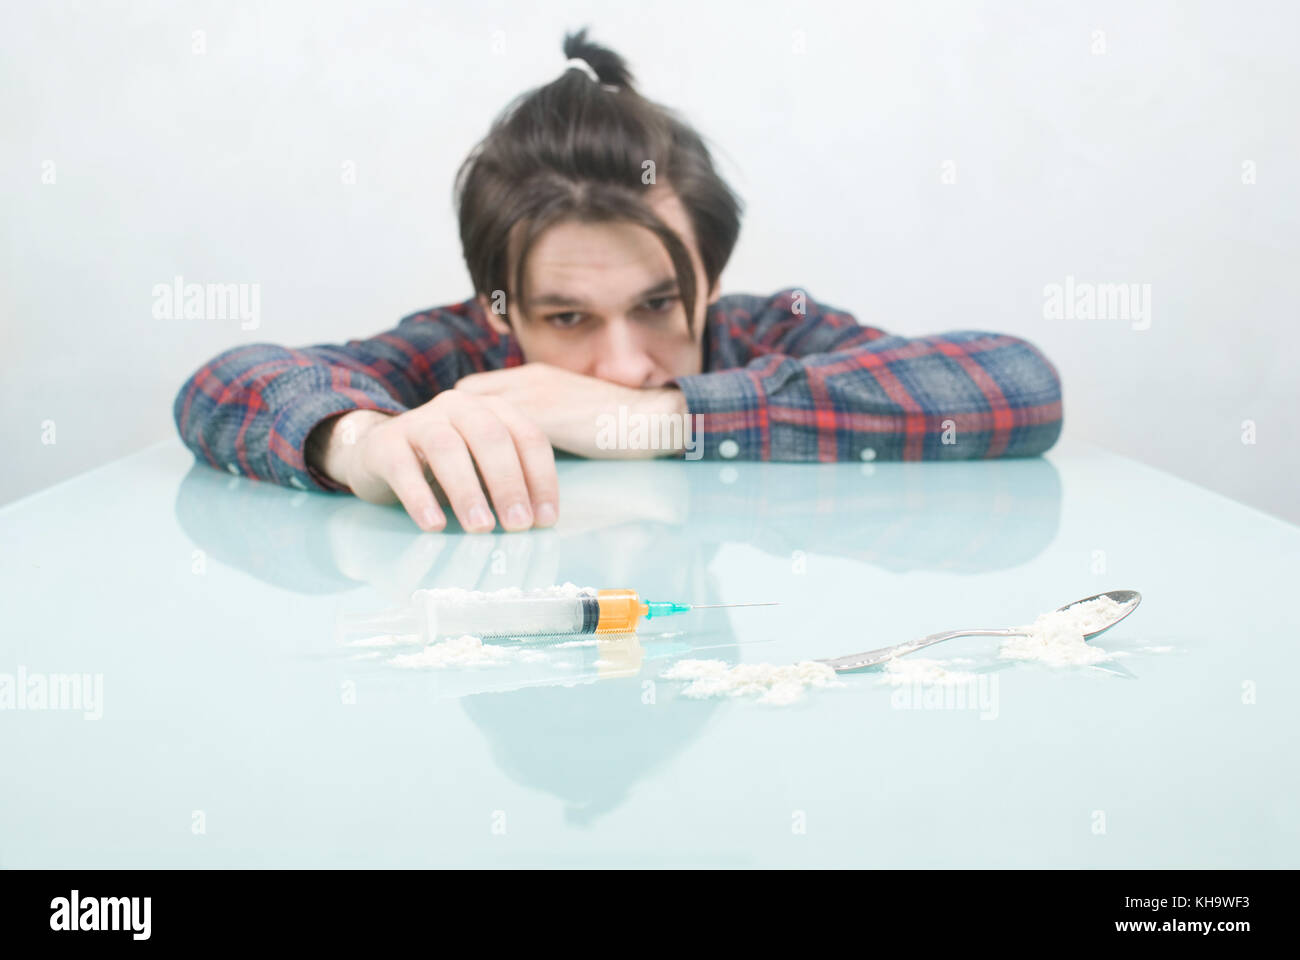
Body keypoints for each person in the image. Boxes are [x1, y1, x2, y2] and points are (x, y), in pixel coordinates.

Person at [173, 29, 1063, 535]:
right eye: (564, 317)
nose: (624, 361)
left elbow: (1015, 383)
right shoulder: (463, 357)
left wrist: (647, 420)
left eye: (658, 304)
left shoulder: (769, 335)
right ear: (501, 306)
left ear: (711, 277)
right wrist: (357, 442)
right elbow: (223, 384)